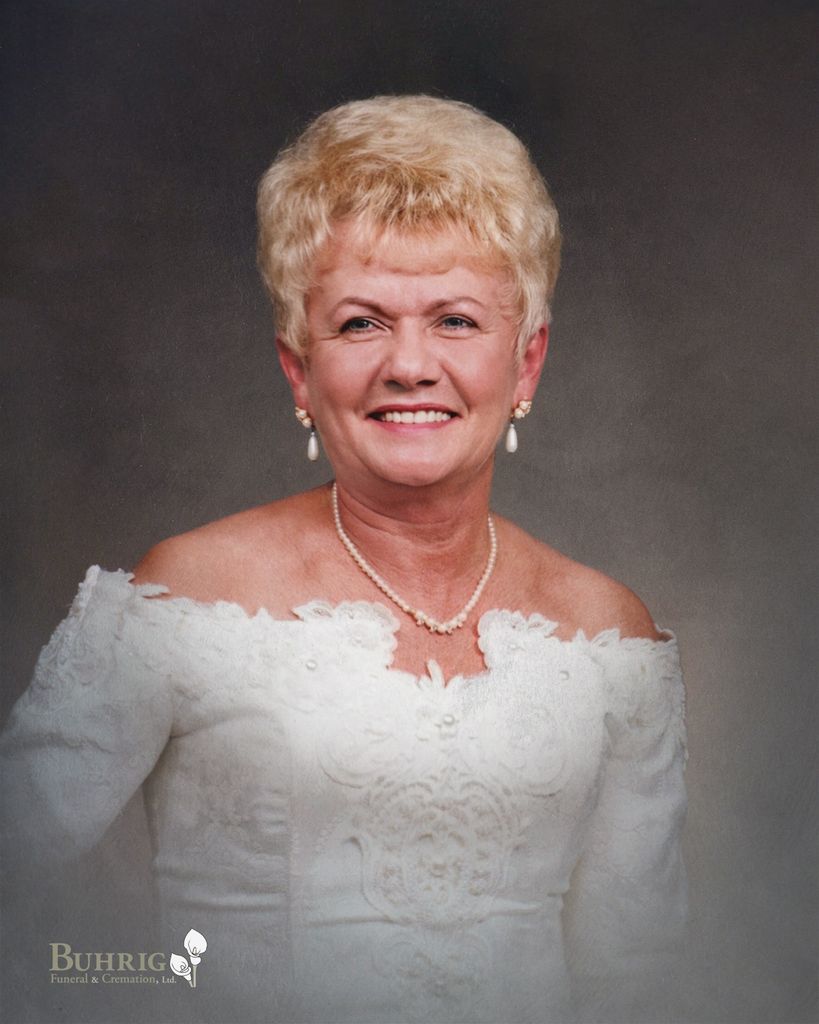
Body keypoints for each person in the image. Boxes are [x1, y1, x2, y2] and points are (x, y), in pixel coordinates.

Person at [1, 96, 687, 1023]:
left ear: (525, 364)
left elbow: (637, 977)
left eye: (455, 321)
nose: (409, 365)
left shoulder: (607, 632)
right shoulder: (187, 597)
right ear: (299, 368)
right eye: (361, 323)